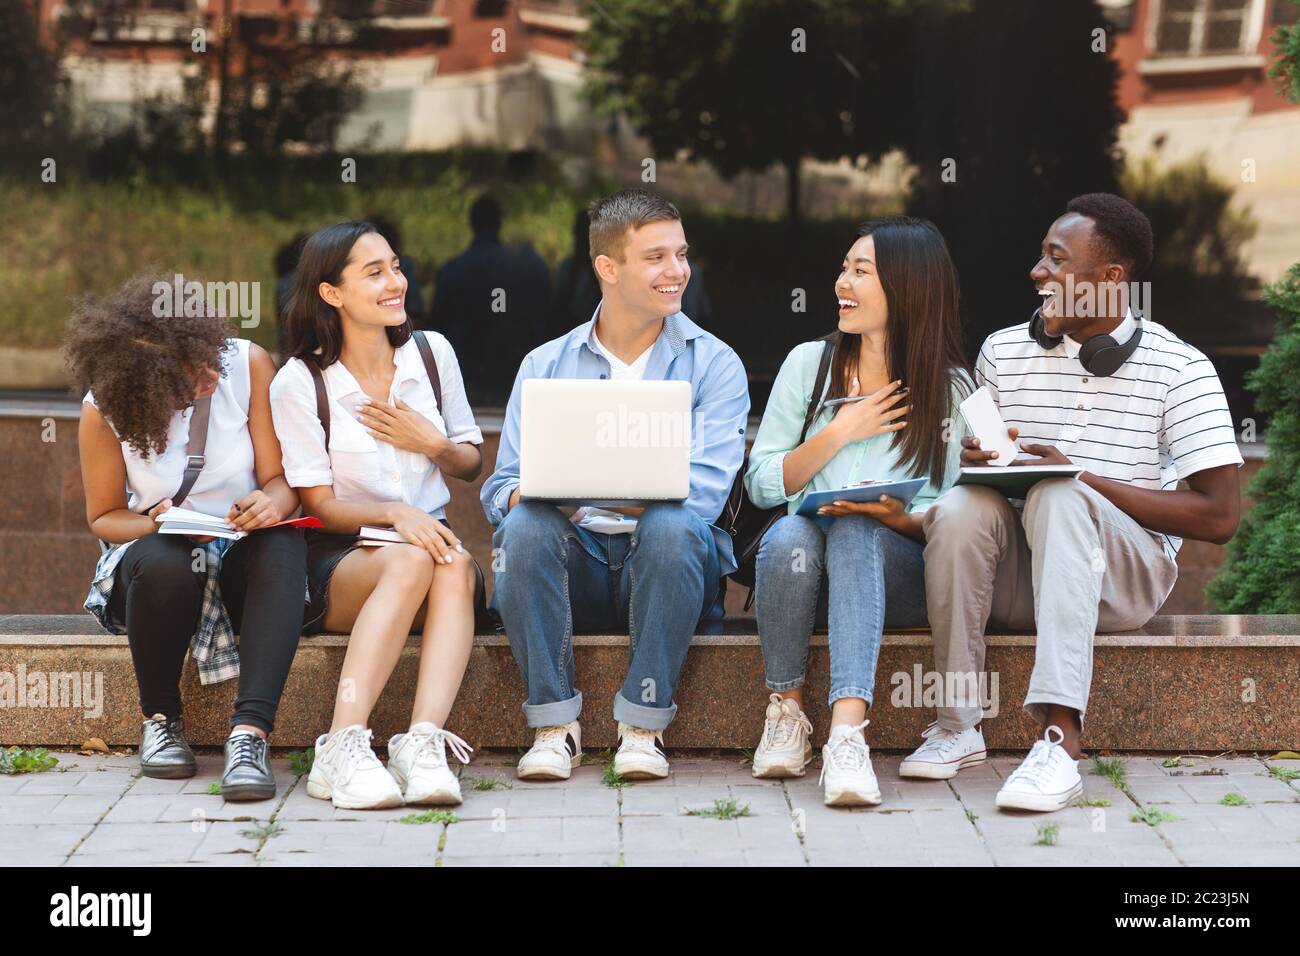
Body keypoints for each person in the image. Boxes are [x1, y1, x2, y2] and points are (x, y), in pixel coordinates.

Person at [903, 193, 1243, 811]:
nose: (1037, 273)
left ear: (1109, 279)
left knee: (1060, 495)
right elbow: (981, 477)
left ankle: (1059, 742)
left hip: (1120, 583)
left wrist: (1077, 475)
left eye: (1056, 260)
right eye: (1041, 258)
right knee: (960, 507)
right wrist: (978, 466)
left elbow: (1220, 517)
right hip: (1019, 579)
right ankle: (957, 725)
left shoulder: (1180, 368)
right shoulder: (1003, 353)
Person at [481, 188, 750, 782]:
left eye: (681, 255)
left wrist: (571, 490)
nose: (677, 271)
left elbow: (700, 498)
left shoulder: (715, 364)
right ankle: (554, 728)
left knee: (673, 524)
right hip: (571, 567)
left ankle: (643, 728)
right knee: (524, 523)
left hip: (665, 565)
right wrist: (536, 495)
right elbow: (500, 489)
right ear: (608, 268)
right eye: (656, 257)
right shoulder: (545, 364)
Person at [745, 217, 973, 806]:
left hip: (891, 577)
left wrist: (888, 512)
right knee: (792, 531)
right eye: (844, 268)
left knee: (854, 528)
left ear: (906, 287)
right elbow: (764, 483)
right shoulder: (808, 365)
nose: (841, 282)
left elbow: (952, 514)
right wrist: (840, 431)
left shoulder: (950, 391)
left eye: (861, 271)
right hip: (798, 579)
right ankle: (786, 715)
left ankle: (847, 737)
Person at [271, 220, 484, 810]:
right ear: (331, 294)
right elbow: (318, 505)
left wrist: (433, 444)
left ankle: (421, 743)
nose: (396, 282)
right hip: (342, 562)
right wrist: (395, 512)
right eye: (375, 273)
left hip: (433, 553)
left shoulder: (432, 354)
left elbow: (469, 464)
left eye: (395, 266)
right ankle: (340, 744)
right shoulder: (301, 381)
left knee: (452, 564)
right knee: (420, 558)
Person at [72, 273, 308, 801]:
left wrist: (271, 503)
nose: (208, 376)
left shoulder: (246, 364)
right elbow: (106, 517)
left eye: (207, 357)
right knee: (162, 560)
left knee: (283, 543)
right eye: (186, 376)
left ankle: (249, 736)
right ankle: (160, 720)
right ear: (143, 381)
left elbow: (280, 481)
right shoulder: (103, 408)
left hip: (242, 550)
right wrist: (158, 522)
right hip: (160, 565)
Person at [428, 193, 550, 404]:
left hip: (465, 374)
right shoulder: (526, 268)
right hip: (512, 371)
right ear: (499, 222)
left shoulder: (453, 270)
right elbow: (541, 319)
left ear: (471, 223)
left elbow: (437, 327)